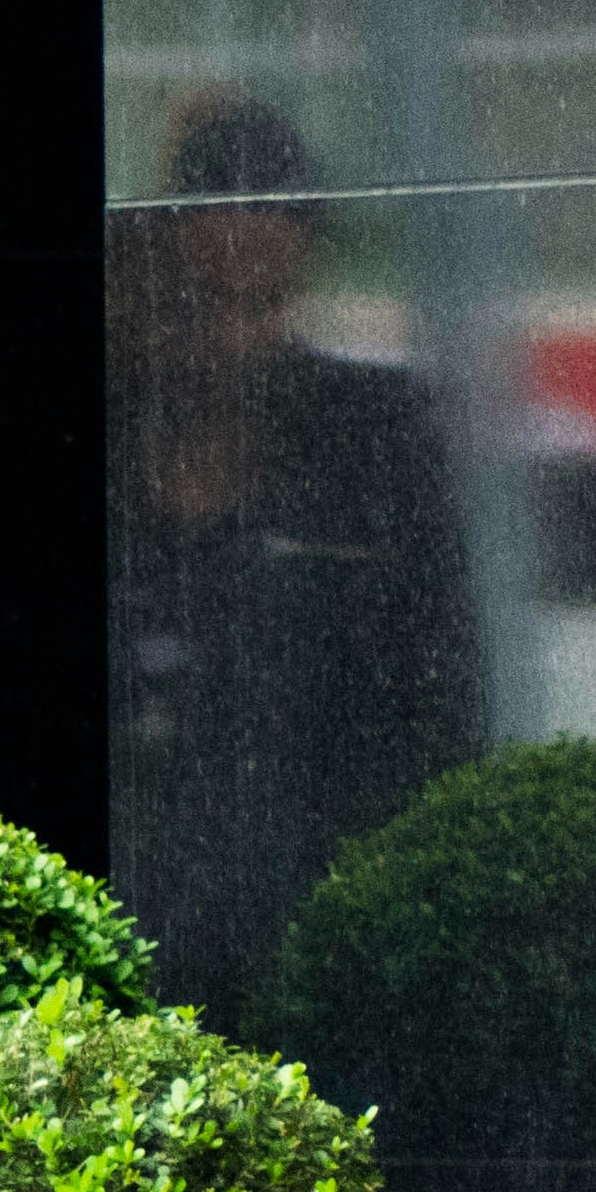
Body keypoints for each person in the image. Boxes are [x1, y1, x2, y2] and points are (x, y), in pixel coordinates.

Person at [109, 89, 486, 1029]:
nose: (237, 340)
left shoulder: (372, 435)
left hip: (305, 924)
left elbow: (436, 704)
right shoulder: (127, 429)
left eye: (262, 303)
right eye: (209, 303)